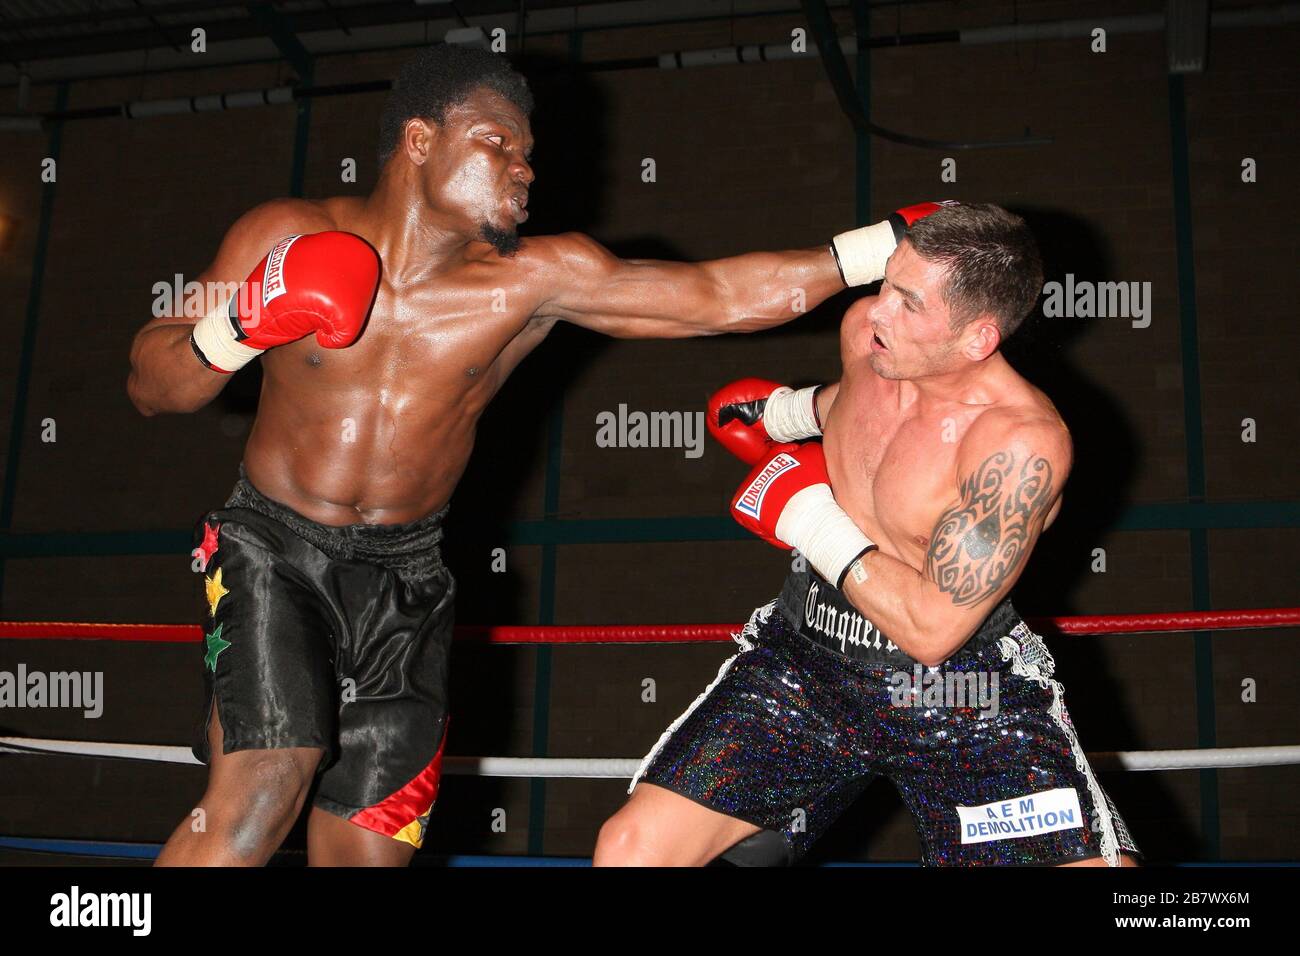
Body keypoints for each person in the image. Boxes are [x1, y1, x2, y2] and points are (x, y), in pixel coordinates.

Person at [127, 43, 932, 866]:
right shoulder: (283, 233)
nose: (524, 170)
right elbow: (151, 382)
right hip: (273, 548)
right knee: (263, 785)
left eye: (529, 154)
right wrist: (239, 325)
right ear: (418, 141)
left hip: (409, 579)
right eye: (497, 144)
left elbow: (716, 298)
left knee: (371, 854)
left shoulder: (533, 280)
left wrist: (884, 247)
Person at [596, 202, 1141, 867]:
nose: (876, 310)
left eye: (909, 303)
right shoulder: (867, 335)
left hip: (957, 694)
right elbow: (848, 404)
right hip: (804, 661)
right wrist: (778, 412)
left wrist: (805, 516)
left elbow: (932, 630)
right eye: (884, 283)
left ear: (978, 339)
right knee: (630, 849)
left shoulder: (1018, 444)